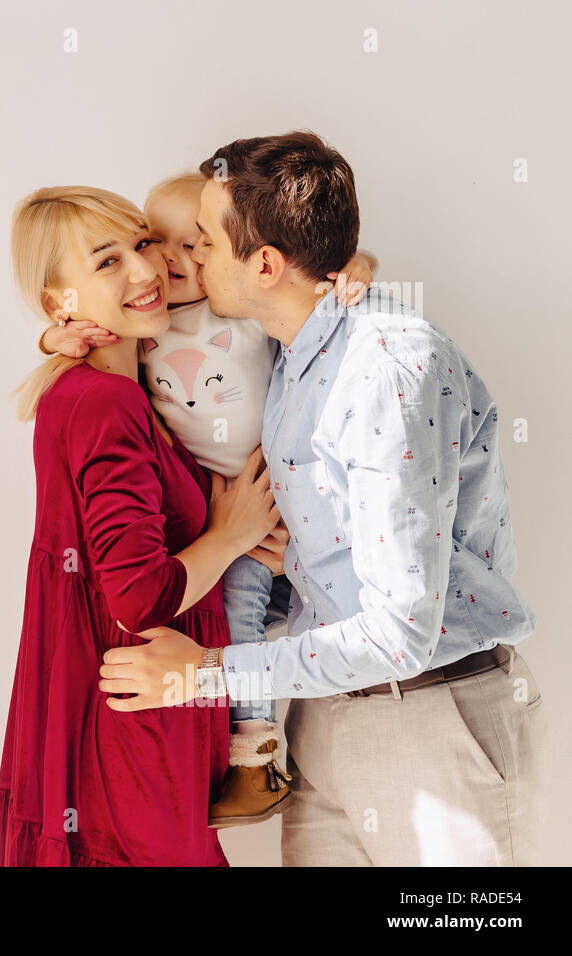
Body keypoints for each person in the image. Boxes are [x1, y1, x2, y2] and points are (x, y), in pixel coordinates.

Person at [100, 131, 546, 866]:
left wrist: (204, 673)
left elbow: (401, 631)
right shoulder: (289, 361)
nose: (184, 259)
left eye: (203, 241)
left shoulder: (388, 368)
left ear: (266, 265)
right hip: (324, 722)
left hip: (432, 718)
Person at [40, 172, 378, 827]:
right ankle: (256, 751)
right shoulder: (146, 334)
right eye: (152, 240)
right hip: (235, 534)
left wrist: (349, 267)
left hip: (278, 516)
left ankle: (254, 751)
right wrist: (54, 336)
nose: (163, 260)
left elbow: (308, 303)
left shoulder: (238, 315)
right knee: (246, 613)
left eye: (190, 244)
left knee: (267, 614)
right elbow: (86, 329)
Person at [0, 185, 278, 866]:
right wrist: (232, 536)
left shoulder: (121, 391)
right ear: (60, 302)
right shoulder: (108, 403)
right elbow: (138, 594)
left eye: (143, 244)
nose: (146, 271)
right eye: (107, 262)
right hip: (129, 741)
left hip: (117, 732)